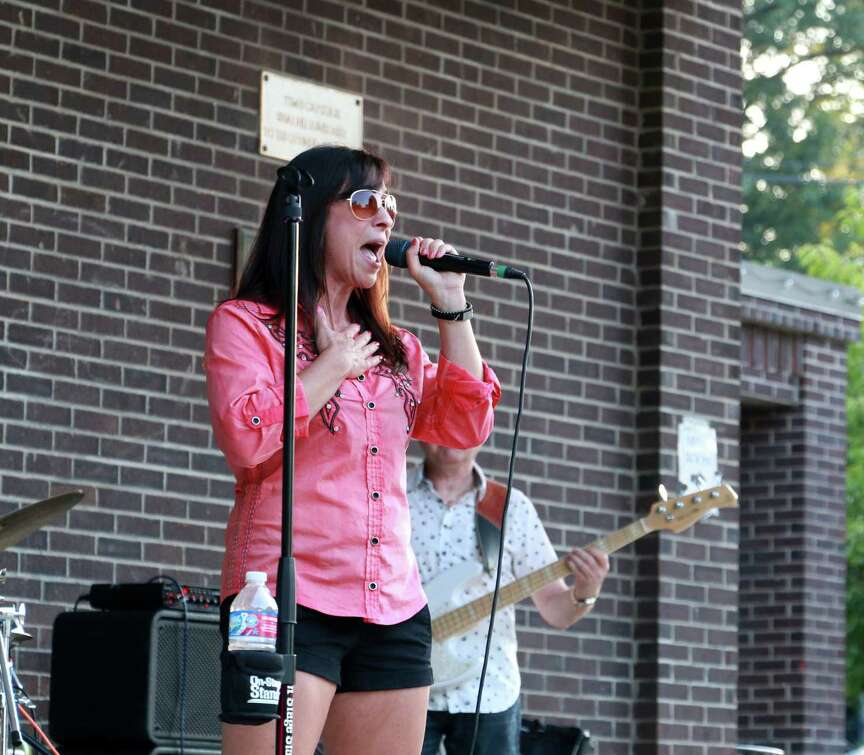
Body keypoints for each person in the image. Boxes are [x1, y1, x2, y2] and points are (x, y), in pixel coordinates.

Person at [205, 145, 502, 755]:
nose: (385, 218)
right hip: (288, 596)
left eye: (389, 204)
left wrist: (451, 305)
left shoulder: (395, 349)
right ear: (311, 216)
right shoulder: (247, 326)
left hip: (391, 605)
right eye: (365, 201)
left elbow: (466, 426)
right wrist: (332, 365)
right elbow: (246, 436)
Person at [408, 441, 609, 755]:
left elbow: (556, 610)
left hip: (489, 690)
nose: (450, 435)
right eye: (441, 423)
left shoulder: (510, 507)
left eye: (462, 422)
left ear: (483, 432)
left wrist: (586, 592)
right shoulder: (391, 497)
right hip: (405, 685)